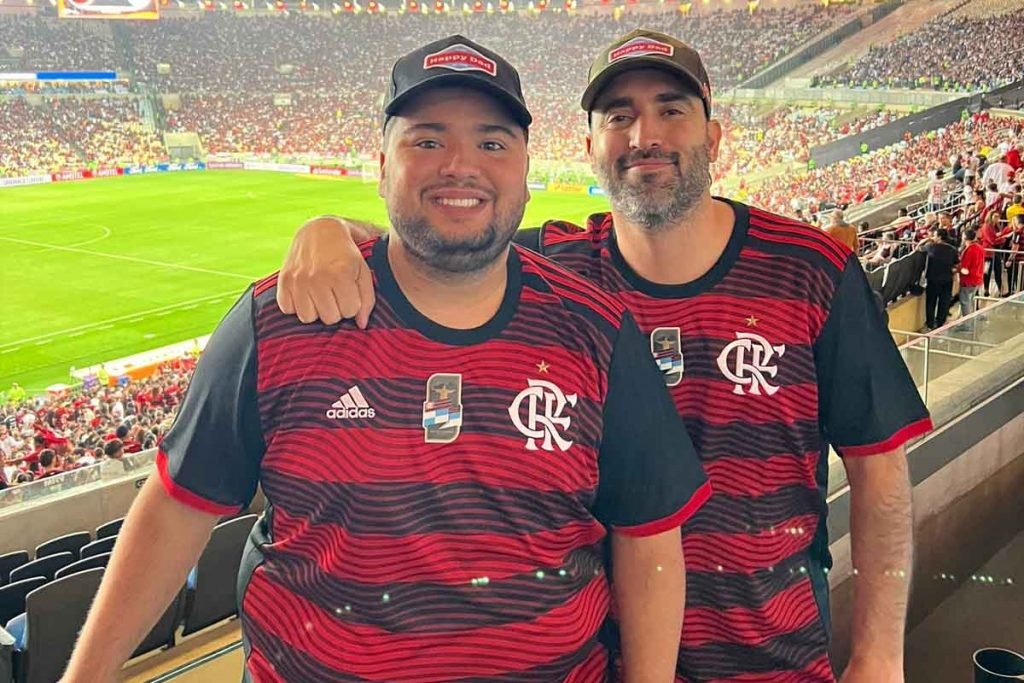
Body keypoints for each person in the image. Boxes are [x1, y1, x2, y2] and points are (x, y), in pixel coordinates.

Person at [274, 28, 932, 683]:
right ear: (590, 145)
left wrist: (880, 655)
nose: (645, 134)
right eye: (619, 115)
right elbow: (431, 244)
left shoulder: (810, 270)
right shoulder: (549, 265)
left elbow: (879, 471)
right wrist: (326, 231)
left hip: (770, 656)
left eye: (671, 109)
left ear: (715, 136)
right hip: (608, 660)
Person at [63, 36, 708, 683]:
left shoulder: (596, 330)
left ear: (525, 169)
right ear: (379, 166)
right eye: (427, 141)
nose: (461, 165)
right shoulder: (280, 319)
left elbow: (648, 536)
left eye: (491, 143)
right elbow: (177, 509)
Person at [921, 227, 959, 330]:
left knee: (931, 302)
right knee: (944, 301)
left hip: (933, 279)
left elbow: (917, 248)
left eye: (934, 235)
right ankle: (940, 323)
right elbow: (956, 264)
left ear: (939, 237)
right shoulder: (952, 249)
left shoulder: (930, 247)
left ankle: (930, 323)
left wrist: (927, 239)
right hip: (947, 279)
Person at [957, 229, 985, 319]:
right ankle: (972, 319)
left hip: (968, 280)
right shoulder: (980, 248)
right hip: (978, 278)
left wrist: (956, 269)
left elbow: (965, 269)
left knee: (965, 302)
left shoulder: (969, 250)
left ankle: (966, 324)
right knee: (971, 300)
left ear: (964, 238)